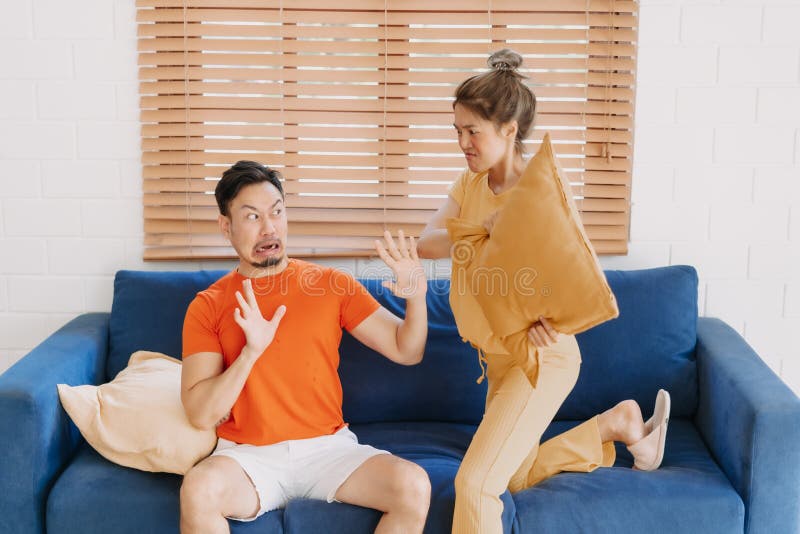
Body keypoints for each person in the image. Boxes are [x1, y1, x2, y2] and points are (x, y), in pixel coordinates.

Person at [417, 49, 670, 533]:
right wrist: (483, 228)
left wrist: (550, 318)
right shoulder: (469, 185)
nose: (463, 142)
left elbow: (576, 272)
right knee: (511, 478)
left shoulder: (541, 192)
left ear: (509, 130)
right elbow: (428, 242)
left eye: (473, 131)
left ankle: (618, 424)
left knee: (476, 484)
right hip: (499, 360)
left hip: (543, 357)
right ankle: (615, 425)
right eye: (457, 130)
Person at [179, 160, 431, 534]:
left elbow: (406, 350)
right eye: (252, 217)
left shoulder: (330, 285)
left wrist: (417, 297)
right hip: (248, 458)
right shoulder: (208, 305)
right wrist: (250, 353)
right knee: (198, 490)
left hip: (327, 450)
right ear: (226, 226)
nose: (269, 227)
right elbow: (201, 414)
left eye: (276, 212)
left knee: (413, 486)